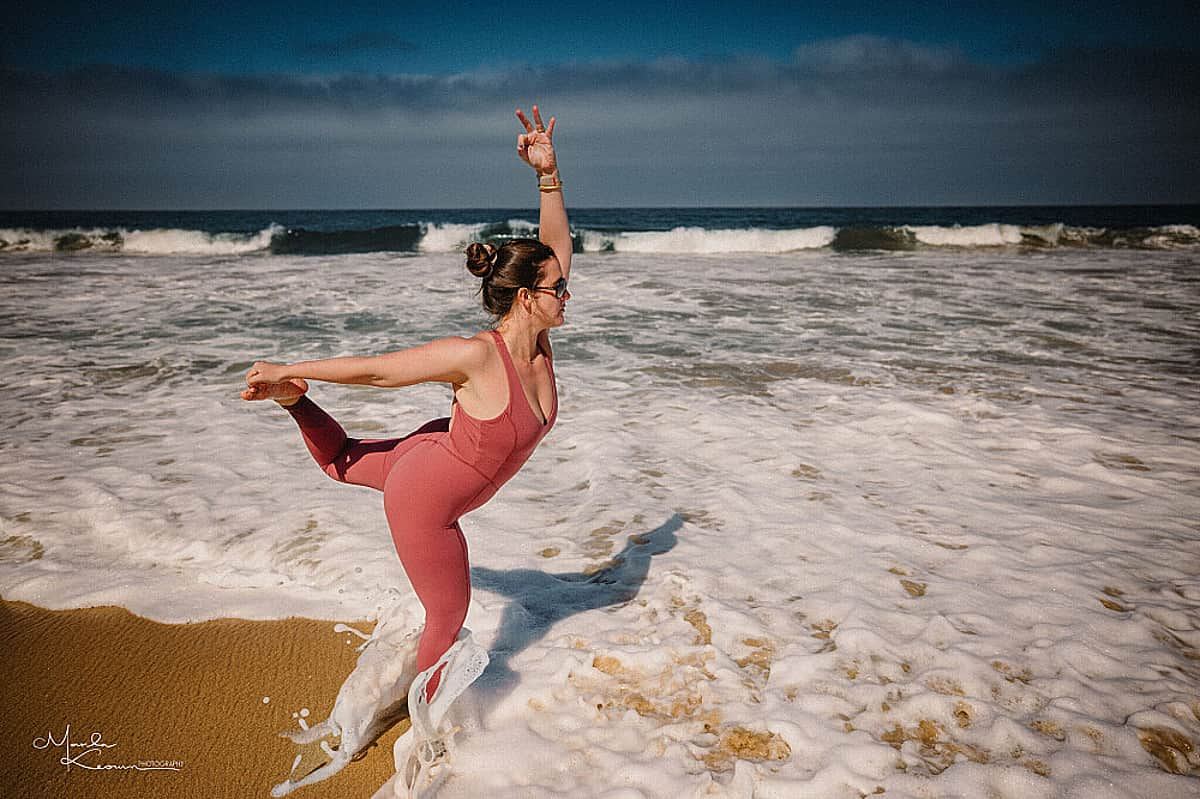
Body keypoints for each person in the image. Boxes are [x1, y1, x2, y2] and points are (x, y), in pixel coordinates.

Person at [241, 105, 571, 707]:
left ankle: (294, 406)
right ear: (527, 298)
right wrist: (289, 366)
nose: (568, 293)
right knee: (448, 613)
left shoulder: (540, 337)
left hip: (432, 452)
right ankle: (427, 729)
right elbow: (378, 370)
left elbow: (554, 246)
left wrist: (548, 175)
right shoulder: (475, 356)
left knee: (341, 459)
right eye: (558, 289)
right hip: (426, 495)